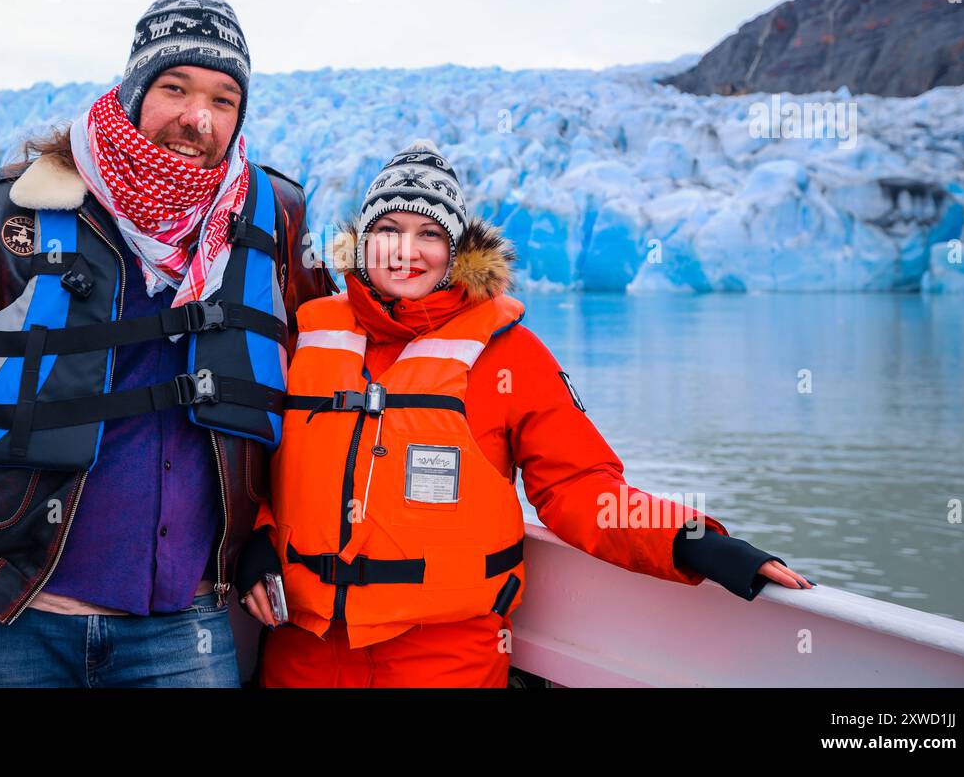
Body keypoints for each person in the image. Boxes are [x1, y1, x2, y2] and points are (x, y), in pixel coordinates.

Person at [0, 0, 337, 687]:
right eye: (175, 88)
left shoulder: (270, 221)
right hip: (14, 615)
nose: (198, 119)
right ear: (133, 91)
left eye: (224, 99)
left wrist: (270, 530)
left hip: (187, 628)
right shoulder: (19, 215)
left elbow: (330, 377)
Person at [237, 139, 811, 687]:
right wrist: (258, 539)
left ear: (457, 251)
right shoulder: (306, 335)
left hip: (443, 658)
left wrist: (693, 541)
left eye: (428, 234)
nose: (404, 251)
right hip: (301, 648)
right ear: (361, 242)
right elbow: (253, 461)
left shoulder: (508, 354)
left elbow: (576, 485)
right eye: (387, 230)